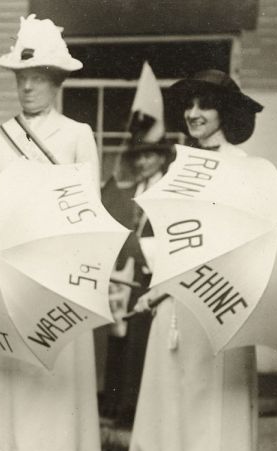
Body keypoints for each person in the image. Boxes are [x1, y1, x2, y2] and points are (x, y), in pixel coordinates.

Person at [127, 69, 265, 451]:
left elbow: (252, 234)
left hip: (223, 298)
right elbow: (168, 234)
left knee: (217, 406)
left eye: (204, 105)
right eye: (189, 105)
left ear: (225, 111)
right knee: (178, 399)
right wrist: (155, 288)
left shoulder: (245, 168)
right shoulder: (179, 167)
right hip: (178, 300)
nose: (193, 114)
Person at [0, 14, 101, 451]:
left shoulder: (78, 136)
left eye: (38, 78)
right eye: (22, 78)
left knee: (53, 362)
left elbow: (88, 208)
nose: (28, 88)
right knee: (8, 365)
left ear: (56, 82)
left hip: (58, 266)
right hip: (8, 265)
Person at [98, 124, 174, 425]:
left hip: (152, 272)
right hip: (127, 271)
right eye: (139, 156)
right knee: (121, 334)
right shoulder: (132, 191)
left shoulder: (169, 190)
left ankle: (136, 409)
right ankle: (115, 405)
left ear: (162, 158)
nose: (142, 163)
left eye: (150, 156)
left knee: (142, 339)